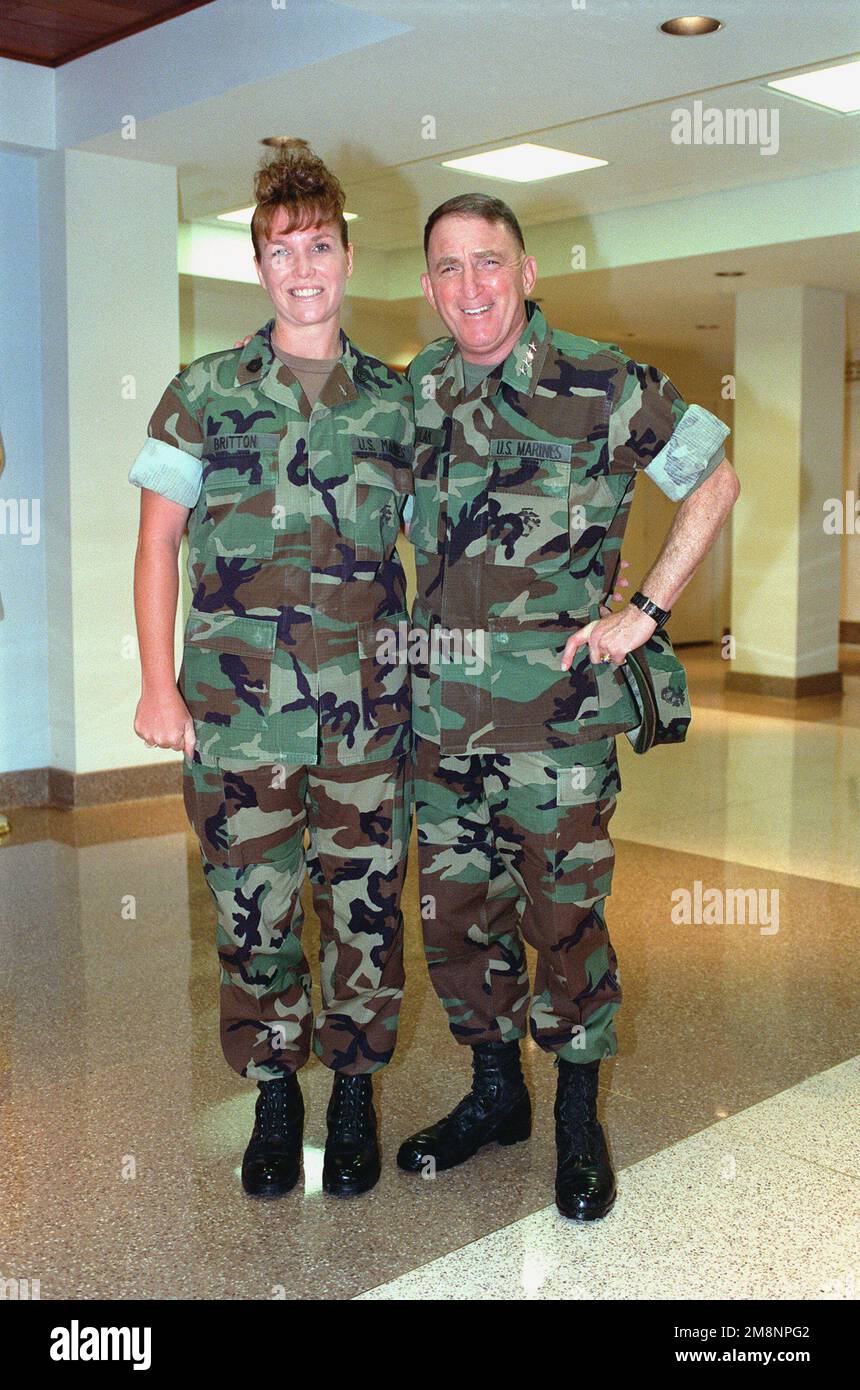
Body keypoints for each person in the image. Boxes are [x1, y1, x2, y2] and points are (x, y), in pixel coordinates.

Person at [395, 193, 740, 1220]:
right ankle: (496, 1096)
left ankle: (578, 1116)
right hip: (441, 721)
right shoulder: (418, 388)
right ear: (427, 288)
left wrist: (645, 609)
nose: (471, 288)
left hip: (558, 729)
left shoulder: (602, 379)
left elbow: (710, 482)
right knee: (454, 920)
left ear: (526, 272)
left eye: (488, 263)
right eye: (448, 268)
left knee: (564, 920)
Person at [128, 139, 414, 1200]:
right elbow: (156, 542)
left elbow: (445, 544)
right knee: (250, 908)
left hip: (365, 719)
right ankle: (273, 1092)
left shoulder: (394, 402)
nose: (304, 267)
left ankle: (350, 1092)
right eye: (283, 249)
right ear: (258, 265)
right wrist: (158, 686)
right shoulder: (199, 393)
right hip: (235, 717)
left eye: (322, 246)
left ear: (347, 255)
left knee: (364, 907)